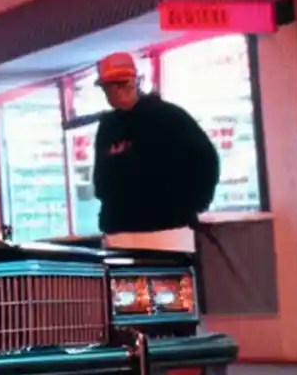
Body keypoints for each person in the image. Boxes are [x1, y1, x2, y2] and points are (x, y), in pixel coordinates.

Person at [92, 51, 220, 252]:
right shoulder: (108, 127)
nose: (117, 92)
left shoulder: (169, 117)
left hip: (166, 228)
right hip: (121, 230)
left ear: (136, 82)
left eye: (123, 84)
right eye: (110, 87)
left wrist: (190, 207)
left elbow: (206, 161)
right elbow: (101, 180)